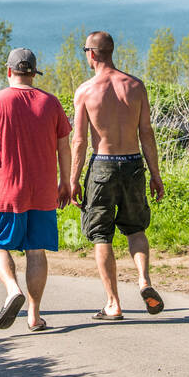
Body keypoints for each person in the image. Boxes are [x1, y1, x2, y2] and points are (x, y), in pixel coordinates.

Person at [0, 48, 72, 331]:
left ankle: (13, 290)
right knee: (36, 251)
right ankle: (34, 315)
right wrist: (67, 181)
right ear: (34, 73)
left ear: (9, 71)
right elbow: (64, 146)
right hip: (43, 191)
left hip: (5, 192)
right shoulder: (51, 103)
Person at [71, 31, 166, 320]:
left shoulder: (86, 91)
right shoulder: (136, 86)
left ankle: (113, 303)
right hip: (133, 162)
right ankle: (144, 281)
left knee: (102, 235)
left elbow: (80, 141)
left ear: (92, 53)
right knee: (136, 229)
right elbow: (146, 133)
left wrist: (73, 180)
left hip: (103, 165)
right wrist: (155, 173)